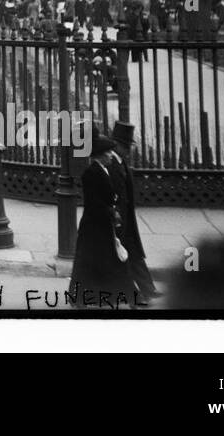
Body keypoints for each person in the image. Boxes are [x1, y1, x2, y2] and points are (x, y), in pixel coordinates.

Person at [68, 137, 134, 308]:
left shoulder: (103, 170)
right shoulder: (91, 173)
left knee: (99, 262)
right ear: (100, 156)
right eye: (108, 154)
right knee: (88, 263)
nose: (111, 156)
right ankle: (81, 298)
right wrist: (111, 211)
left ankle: (110, 296)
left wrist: (111, 210)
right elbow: (93, 202)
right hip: (93, 226)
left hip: (100, 225)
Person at [108, 122, 160, 299]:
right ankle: (138, 293)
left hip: (126, 217)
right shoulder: (113, 164)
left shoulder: (120, 162)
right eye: (127, 146)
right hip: (120, 218)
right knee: (125, 256)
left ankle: (148, 289)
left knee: (135, 254)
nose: (129, 150)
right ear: (118, 145)